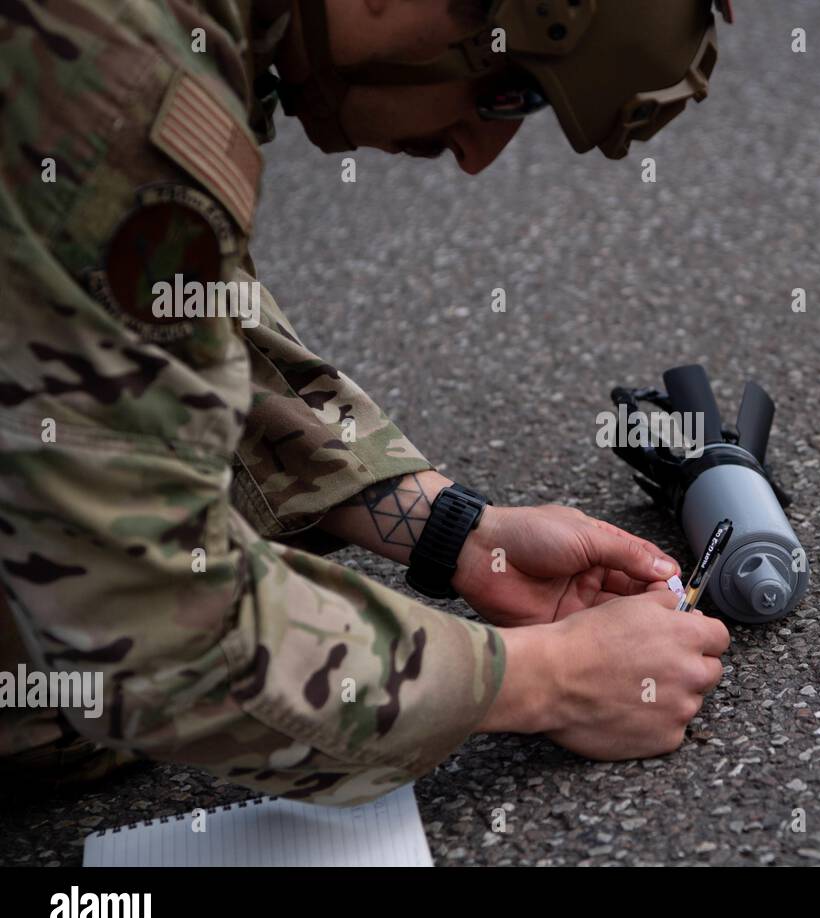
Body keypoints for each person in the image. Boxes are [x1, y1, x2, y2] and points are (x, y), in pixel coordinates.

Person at [0, 0, 734, 804]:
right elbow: (154, 629)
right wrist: (548, 679)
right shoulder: (115, 68)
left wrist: (454, 532)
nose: (479, 155)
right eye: (507, 94)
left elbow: (134, 317)